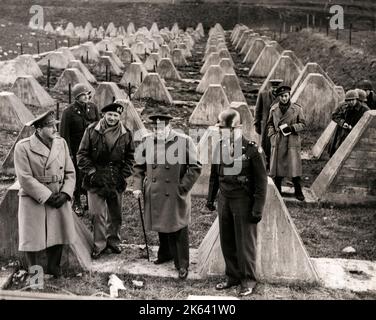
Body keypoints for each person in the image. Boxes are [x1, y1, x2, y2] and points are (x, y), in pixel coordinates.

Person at [133, 108, 202, 280]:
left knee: (178, 227)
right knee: (161, 224)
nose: (159, 131)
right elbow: (138, 166)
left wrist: (183, 187)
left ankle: (182, 264)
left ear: (169, 126)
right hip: (155, 191)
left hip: (175, 192)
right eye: (156, 128)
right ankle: (165, 254)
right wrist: (136, 186)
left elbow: (195, 166)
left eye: (162, 127)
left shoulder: (183, 141)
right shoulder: (147, 141)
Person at [206, 109, 267, 296]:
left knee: (245, 243)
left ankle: (248, 280)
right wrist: (210, 199)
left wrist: (257, 208)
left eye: (225, 129)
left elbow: (261, 182)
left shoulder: (252, 149)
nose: (222, 132)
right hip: (225, 200)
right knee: (227, 240)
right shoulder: (219, 147)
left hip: (243, 201)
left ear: (237, 128)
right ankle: (232, 276)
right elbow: (214, 176)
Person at [14, 111, 76, 278]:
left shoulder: (61, 143)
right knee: (32, 241)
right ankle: (35, 277)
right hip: (34, 199)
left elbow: (70, 171)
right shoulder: (23, 147)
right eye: (50, 126)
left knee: (58, 234)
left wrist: (65, 193)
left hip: (58, 196)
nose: (55, 129)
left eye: (55, 124)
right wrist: (47, 196)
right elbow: (24, 178)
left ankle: (54, 270)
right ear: (39, 129)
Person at [77, 103, 134, 259]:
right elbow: (81, 155)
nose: (112, 118)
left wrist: (123, 174)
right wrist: (92, 172)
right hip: (96, 178)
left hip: (115, 178)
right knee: (97, 214)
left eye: (116, 115)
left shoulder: (126, 133)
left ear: (119, 117)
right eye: (110, 114)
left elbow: (130, 157)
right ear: (104, 115)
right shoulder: (91, 131)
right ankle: (99, 244)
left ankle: (113, 241)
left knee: (115, 213)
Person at [60, 83, 100, 215]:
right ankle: (77, 201)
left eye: (87, 94)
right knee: (77, 175)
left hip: (92, 148)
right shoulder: (68, 112)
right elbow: (64, 134)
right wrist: (68, 154)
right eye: (83, 95)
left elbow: (99, 128)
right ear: (77, 97)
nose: (86, 96)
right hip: (76, 149)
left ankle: (90, 200)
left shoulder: (93, 108)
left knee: (91, 173)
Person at [266, 85, 306, 201]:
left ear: (289, 95)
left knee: (294, 168)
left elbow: (303, 124)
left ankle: (298, 191)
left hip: (291, 141)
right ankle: (277, 191)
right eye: (281, 96)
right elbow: (269, 124)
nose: (284, 98)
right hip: (278, 141)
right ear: (278, 97)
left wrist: (292, 128)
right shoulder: (273, 109)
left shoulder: (297, 109)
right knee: (277, 169)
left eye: (286, 96)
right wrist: (272, 135)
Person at [329, 89, 370, 157]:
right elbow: (334, 115)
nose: (351, 102)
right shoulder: (343, 106)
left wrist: (355, 127)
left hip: (357, 131)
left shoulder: (364, 109)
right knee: (338, 148)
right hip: (343, 131)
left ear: (356, 99)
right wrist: (342, 123)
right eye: (348, 100)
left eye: (352, 100)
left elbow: (367, 121)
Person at [254, 79, 283, 168]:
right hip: (265, 125)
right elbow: (258, 110)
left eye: (276, 88)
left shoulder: (282, 97)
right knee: (264, 145)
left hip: (277, 126)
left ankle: (274, 163)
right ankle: (264, 162)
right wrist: (256, 123)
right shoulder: (263, 95)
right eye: (273, 87)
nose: (275, 90)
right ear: (270, 87)